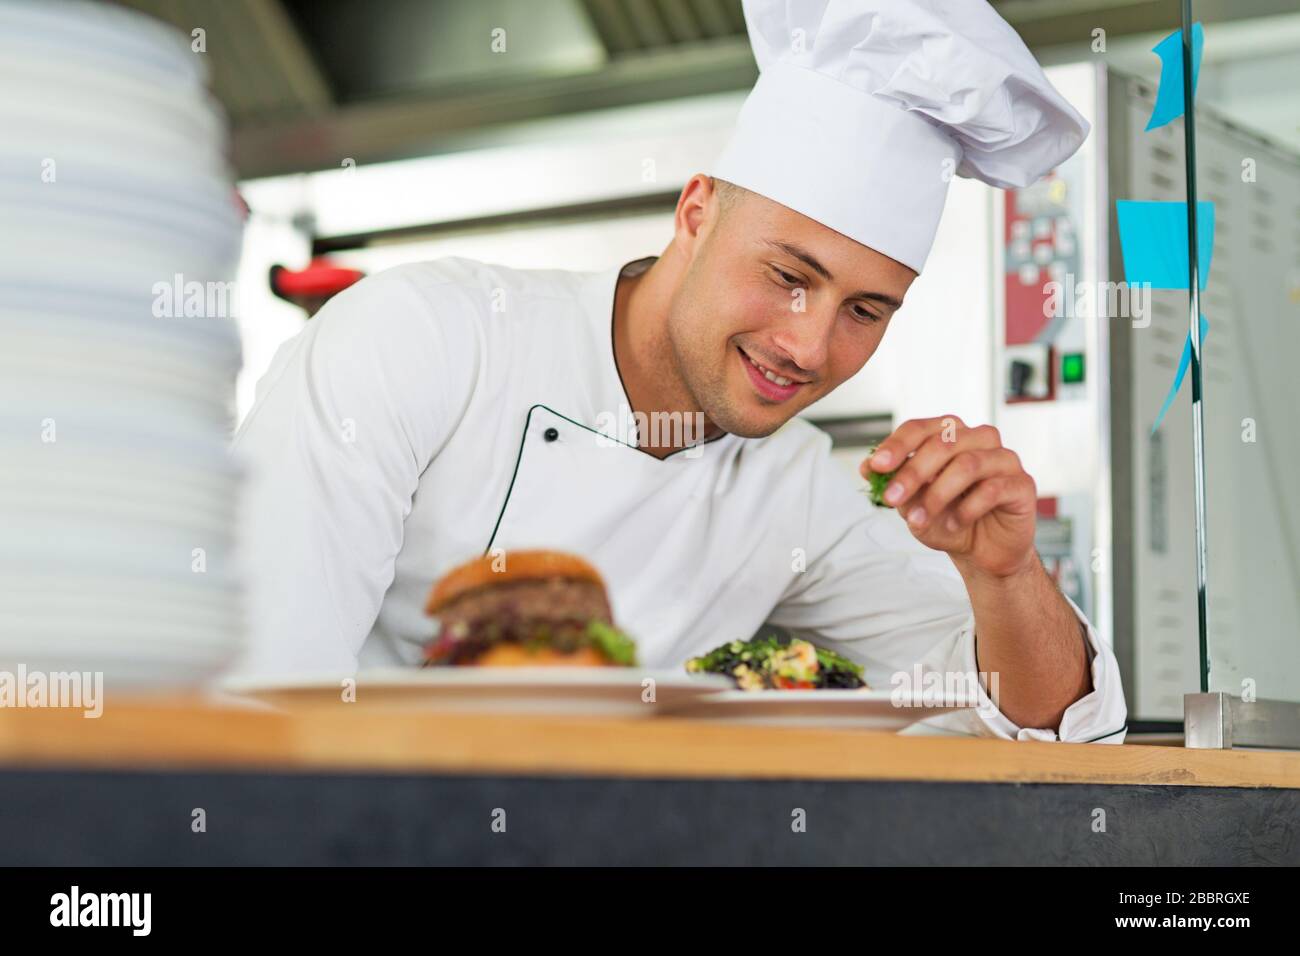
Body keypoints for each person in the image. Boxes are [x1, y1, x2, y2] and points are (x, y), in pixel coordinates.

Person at [231, 0, 1127, 742]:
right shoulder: (423, 338)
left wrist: (1005, 577)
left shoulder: (796, 491)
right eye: (788, 277)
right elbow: (263, 695)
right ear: (696, 212)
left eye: (865, 310)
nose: (809, 348)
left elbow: (1040, 719)